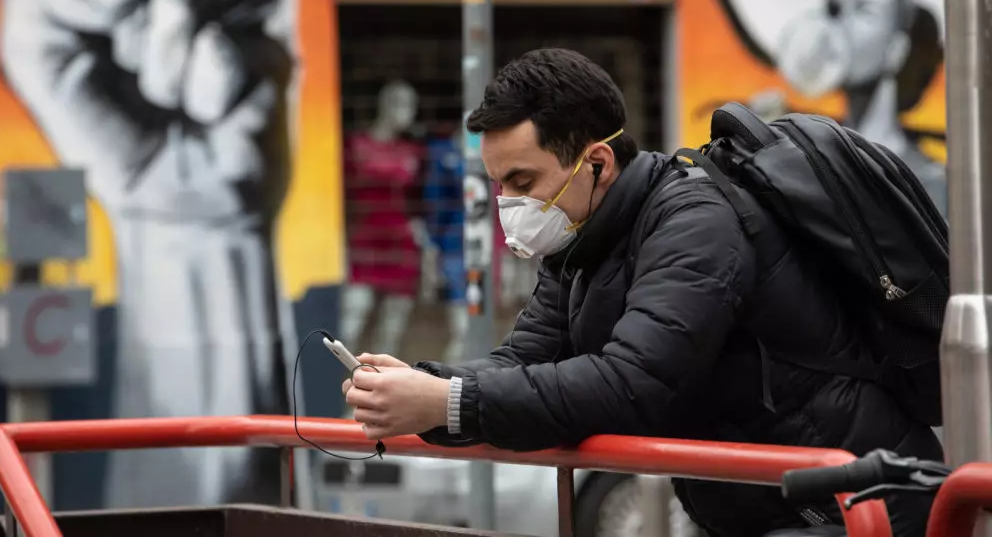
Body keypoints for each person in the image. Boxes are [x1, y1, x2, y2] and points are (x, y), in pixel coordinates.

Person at [341, 49, 942, 537]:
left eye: (522, 182)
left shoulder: (694, 222)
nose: (508, 207)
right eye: (498, 186)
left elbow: (633, 383)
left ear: (597, 163)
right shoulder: (580, 242)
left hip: (856, 506)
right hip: (771, 507)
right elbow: (519, 364)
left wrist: (447, 402)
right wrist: (423, 385)